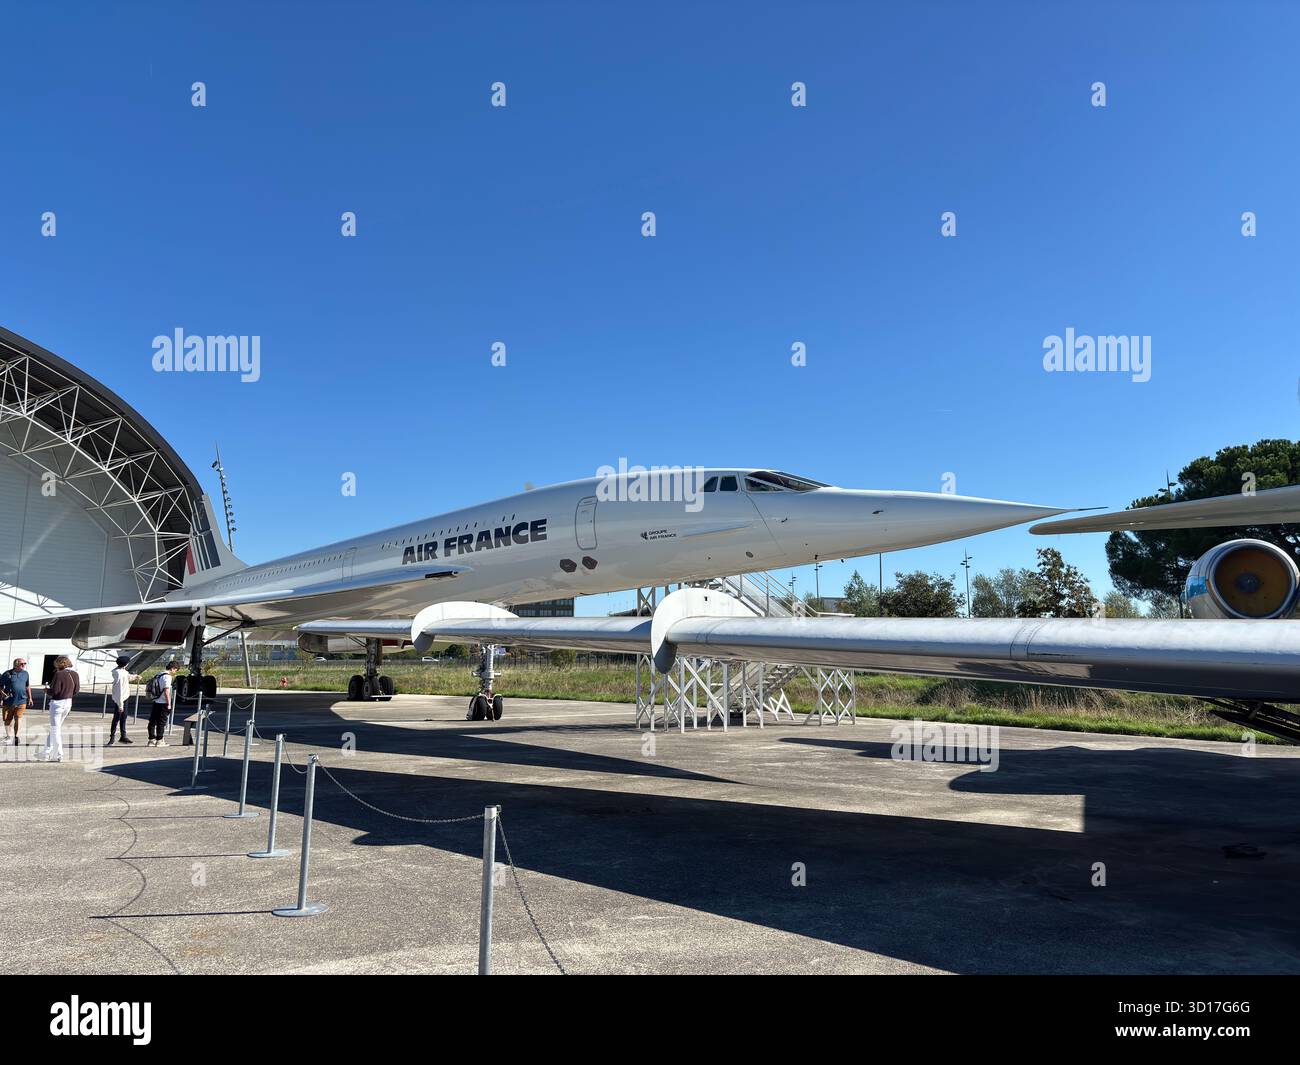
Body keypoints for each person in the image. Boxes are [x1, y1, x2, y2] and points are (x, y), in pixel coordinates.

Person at [44, 655, 80, 763]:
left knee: (55, 729)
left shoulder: (59, 674)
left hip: (58, 703)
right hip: (68, 702)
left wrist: (46, 691)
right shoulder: (75, 674)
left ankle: (58, 754)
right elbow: (77, 689)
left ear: (59, 663)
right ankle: (46, 751)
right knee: (56, 728)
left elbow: (54, 691)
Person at [147, 663, 179, 747]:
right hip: (163, 702)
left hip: (155, 700)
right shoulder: (167, 677)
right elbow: (166, 691)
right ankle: (160, 740)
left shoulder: (159, 674)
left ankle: (151, 739)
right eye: (175, 670)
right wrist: (169, 704)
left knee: (152, 721)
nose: (175, 672)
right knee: (161, 722)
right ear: (172, 668)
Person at [107, 656, 135, 746]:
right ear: (126, 664)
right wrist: (120, 705)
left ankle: (123, 736)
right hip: (121, 698)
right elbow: (119, 690)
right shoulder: (120, 674)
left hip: (124, 697)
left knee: (123, 717)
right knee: (117, 718)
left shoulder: (122, 672)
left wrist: (135, 677)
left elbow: (128, 676)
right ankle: (112, 738)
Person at [2, 657, 30, 747]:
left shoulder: (26, 674)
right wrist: (4, 694)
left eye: (24, 664)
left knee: (18, 718)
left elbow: (27, 686)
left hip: (22, 700)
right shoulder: (7, 674)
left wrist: (30, 698)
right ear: (16, 664)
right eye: (22, 664)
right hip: (9, 701)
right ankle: (9, 736)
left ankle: (16, 736)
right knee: (8, 720)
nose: (24, 665)